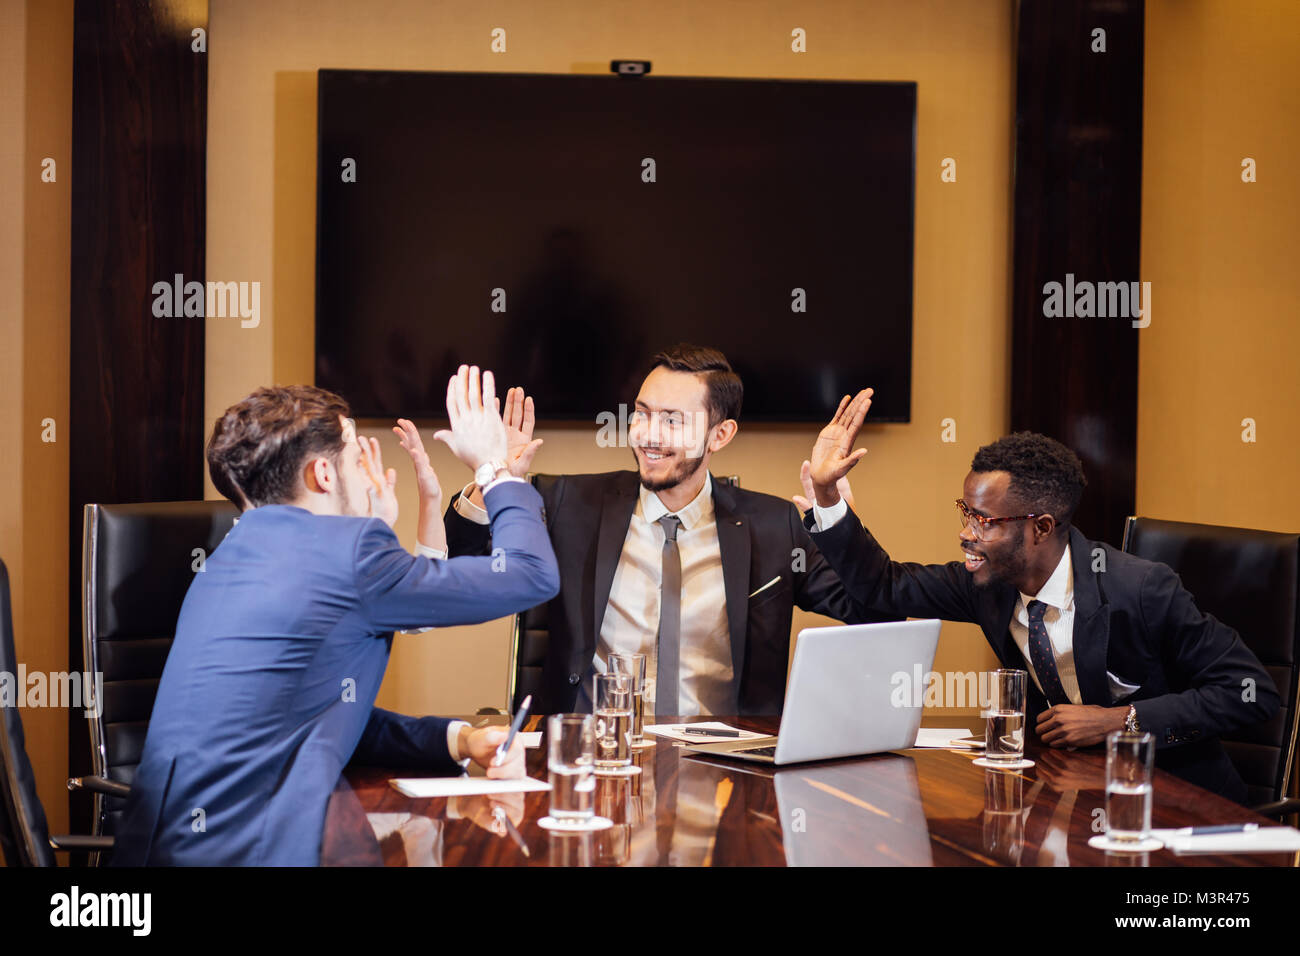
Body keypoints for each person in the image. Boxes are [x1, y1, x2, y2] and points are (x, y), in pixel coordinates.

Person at [112, 366, 559, 865]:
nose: (367, 471)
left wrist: (461, 739)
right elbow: (531, 575)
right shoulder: (349, 552)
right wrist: (496, 470)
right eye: (354, 458)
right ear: (323, 474)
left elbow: (315, 715)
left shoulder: (224, 560)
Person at [798, 388, 1279, 803]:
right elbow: (885, 588)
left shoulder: (1141, 588)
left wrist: (1119, 719)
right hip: (1077, 797)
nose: (965, 533)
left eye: (983, 521)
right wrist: (827, 497)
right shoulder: (984, 585)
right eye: (966, 512)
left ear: (1041, 528)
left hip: (1178, 805)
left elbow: (1249, 692)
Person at [422, 344, 892, 717]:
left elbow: (873, 616)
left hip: (728, 778)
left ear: (720, 435)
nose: (648, 434)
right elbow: (459, 571)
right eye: (643, 413)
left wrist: (838, 525)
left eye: (672, 420)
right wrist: (494, 478)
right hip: (593, 767)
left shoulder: (776, 526)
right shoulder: (569, 504)